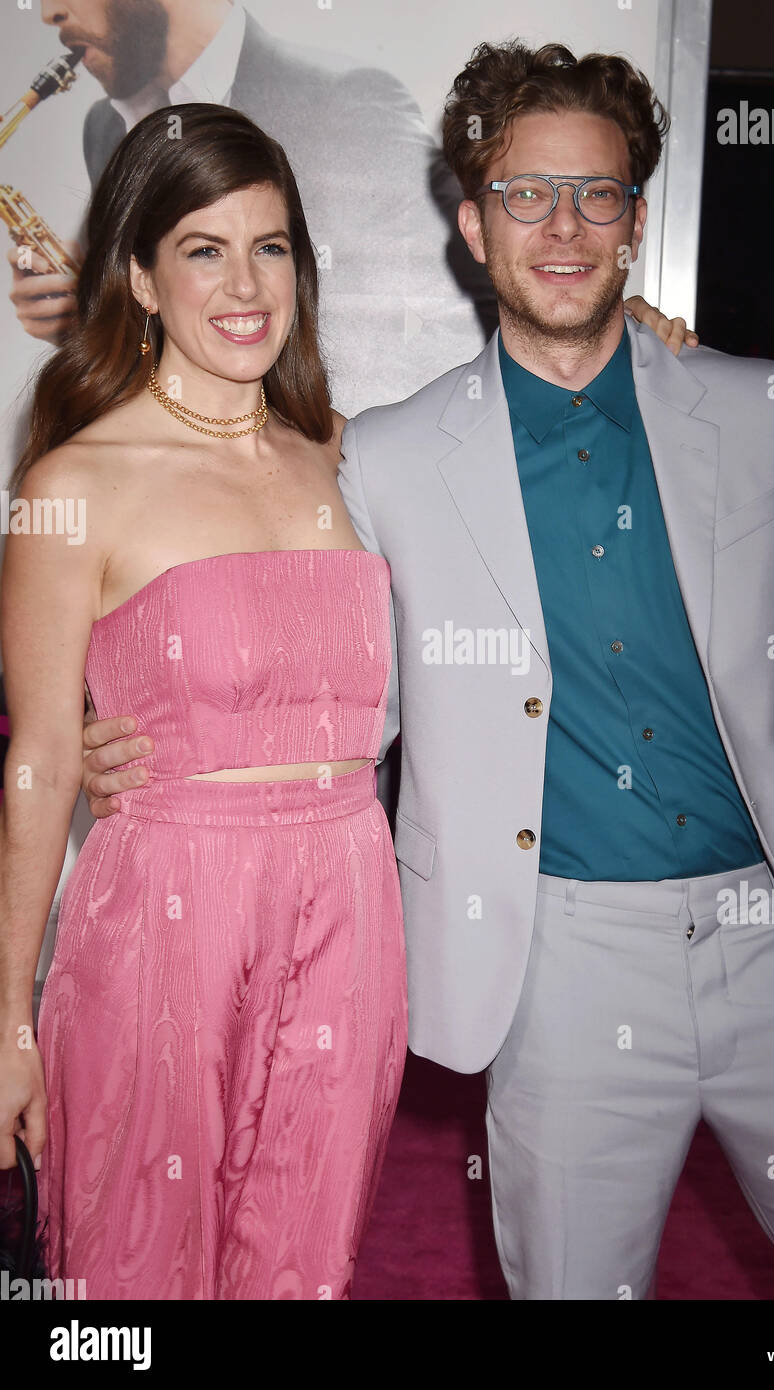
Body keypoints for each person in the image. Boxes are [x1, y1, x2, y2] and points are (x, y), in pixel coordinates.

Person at [91, 40, 774, 1305]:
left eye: (595, 193)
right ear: (474, 226)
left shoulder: (754, 410)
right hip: (563, 968)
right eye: (525, 195)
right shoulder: (385, 459)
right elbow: (324, 677)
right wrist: (152, 745)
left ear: (635, 221)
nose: (563, 225)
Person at [0, 105, 408, 1300]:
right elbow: (36, 763)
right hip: (164, 922)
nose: (245, 284)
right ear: (136, 273)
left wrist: (658, 340)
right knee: (132, 1277)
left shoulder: (338, 456)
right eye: (203, 248)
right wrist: (5, 1018)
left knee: (303, 1266)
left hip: (348, 909)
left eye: (270, 246)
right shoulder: (72, 482)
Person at [9, 0, 497, 413]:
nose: (50, 11)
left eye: (270, 248)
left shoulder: (346, 95)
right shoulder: (103, 127)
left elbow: (441, 325)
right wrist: (95, 318)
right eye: (205, 251)